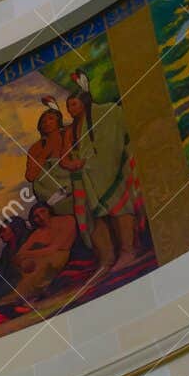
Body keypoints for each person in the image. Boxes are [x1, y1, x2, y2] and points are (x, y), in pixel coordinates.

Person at [63, 71, 148, 270]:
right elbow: (65, 157)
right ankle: (108, 257)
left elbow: (112, 143)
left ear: (84, 102)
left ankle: (128, 250)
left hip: (111, 171)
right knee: (96, 217)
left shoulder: (105, 113)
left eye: (73, 104)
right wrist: (71, 164)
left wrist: (96, 163)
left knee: (120, 206)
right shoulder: (71, 130)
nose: (70, 110)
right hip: (87, 179)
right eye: (68, 107)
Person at [4, 203, 78, 301]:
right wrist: (23, 262)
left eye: (43, 211)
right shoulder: (37, 233)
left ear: (49, 210)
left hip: (61, 255)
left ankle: (17, 297)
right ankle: (15, 296)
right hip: (42, 258)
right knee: (26, 270)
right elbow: (19, 254)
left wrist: (26, 254)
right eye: (36, 216)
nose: (41, 217)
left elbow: (53, 249)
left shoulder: (67, 220)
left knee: (41, 268)